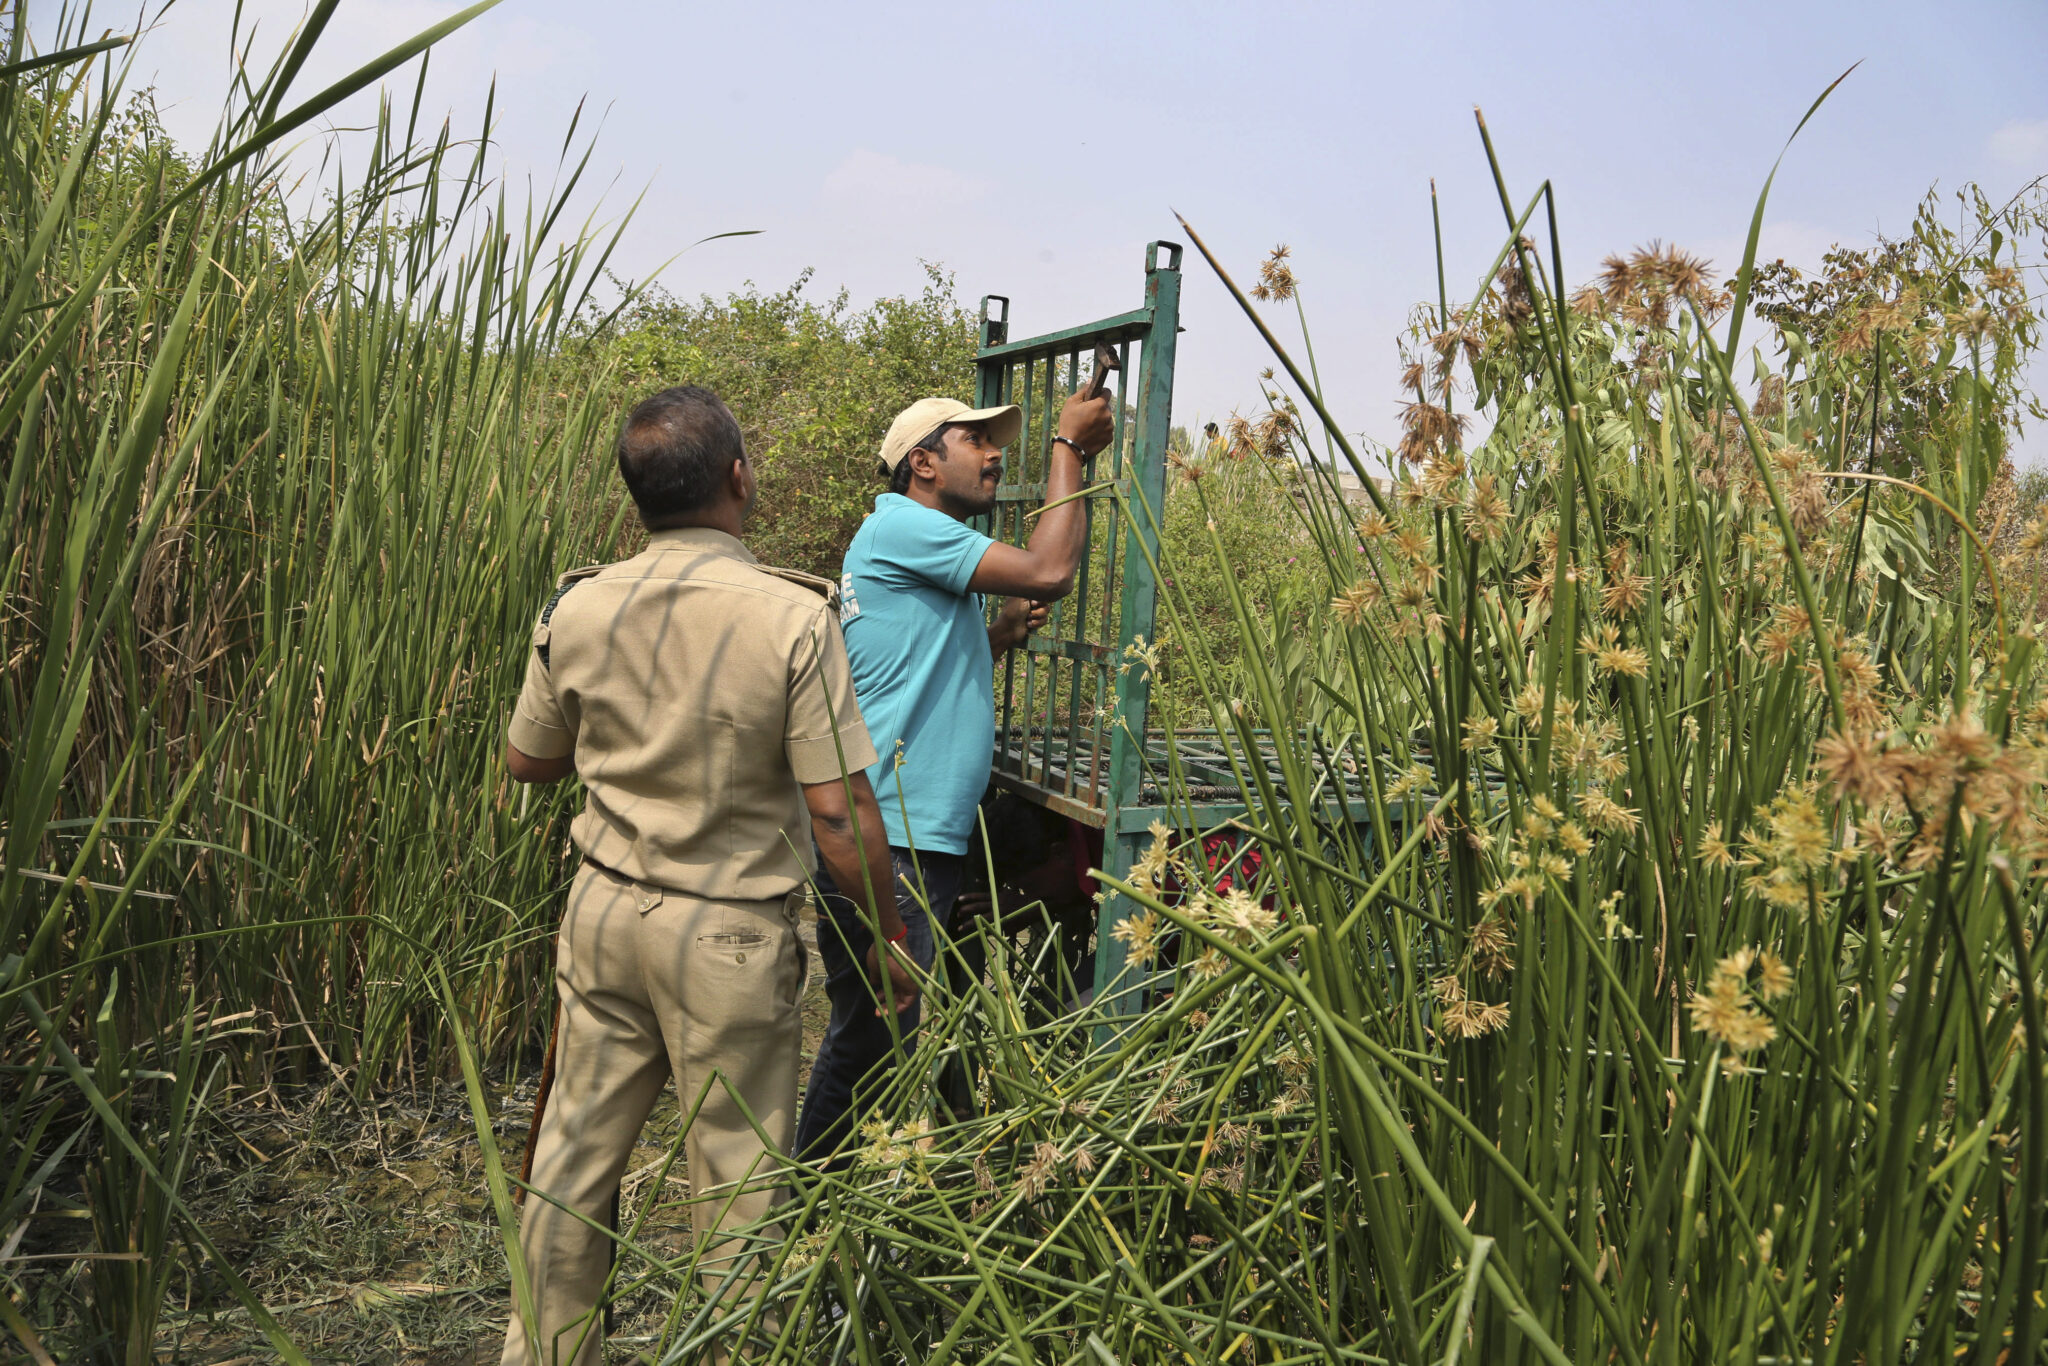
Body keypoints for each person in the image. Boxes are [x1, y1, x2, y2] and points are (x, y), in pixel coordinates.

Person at [500, 385, 913, 1366]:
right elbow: (837, 812)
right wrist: (890, 938)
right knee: (737, 1185)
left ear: (637, 496)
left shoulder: (580, 603)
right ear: (737, 477)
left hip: (602, 915)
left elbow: (529, 760)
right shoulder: (792, 616)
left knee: (571, 1160)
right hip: (725, 932)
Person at [794, 386, 1114, 1160]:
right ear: (925, 462)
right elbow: (1049, 569)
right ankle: (812, 1226)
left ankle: (835, 1220)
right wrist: (1068, 450)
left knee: (881, 1034)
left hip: (908, 831)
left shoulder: (909, 544)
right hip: (892, 839)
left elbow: (912, 673)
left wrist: (995, 637)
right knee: (874, 1039)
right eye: (976, 440)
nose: (996, 451)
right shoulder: (906, 526)